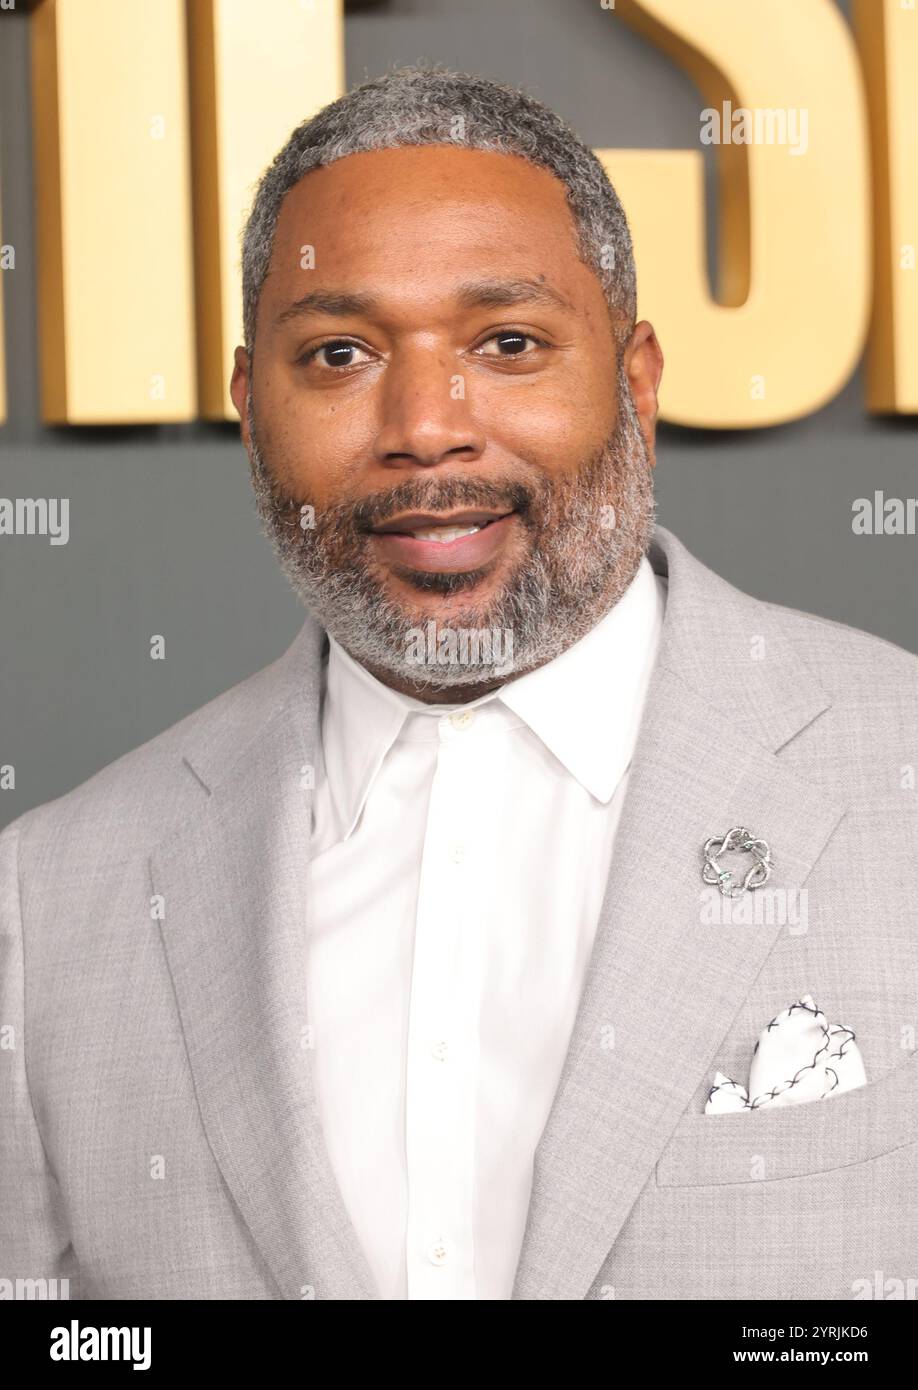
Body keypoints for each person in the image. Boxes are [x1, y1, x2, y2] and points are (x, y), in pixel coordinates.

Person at [2, 66, 916, 1302]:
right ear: (248, 410)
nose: (427, 424)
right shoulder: (49, 900)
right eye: (338, 351)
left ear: (636, 384)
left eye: (509, 343)